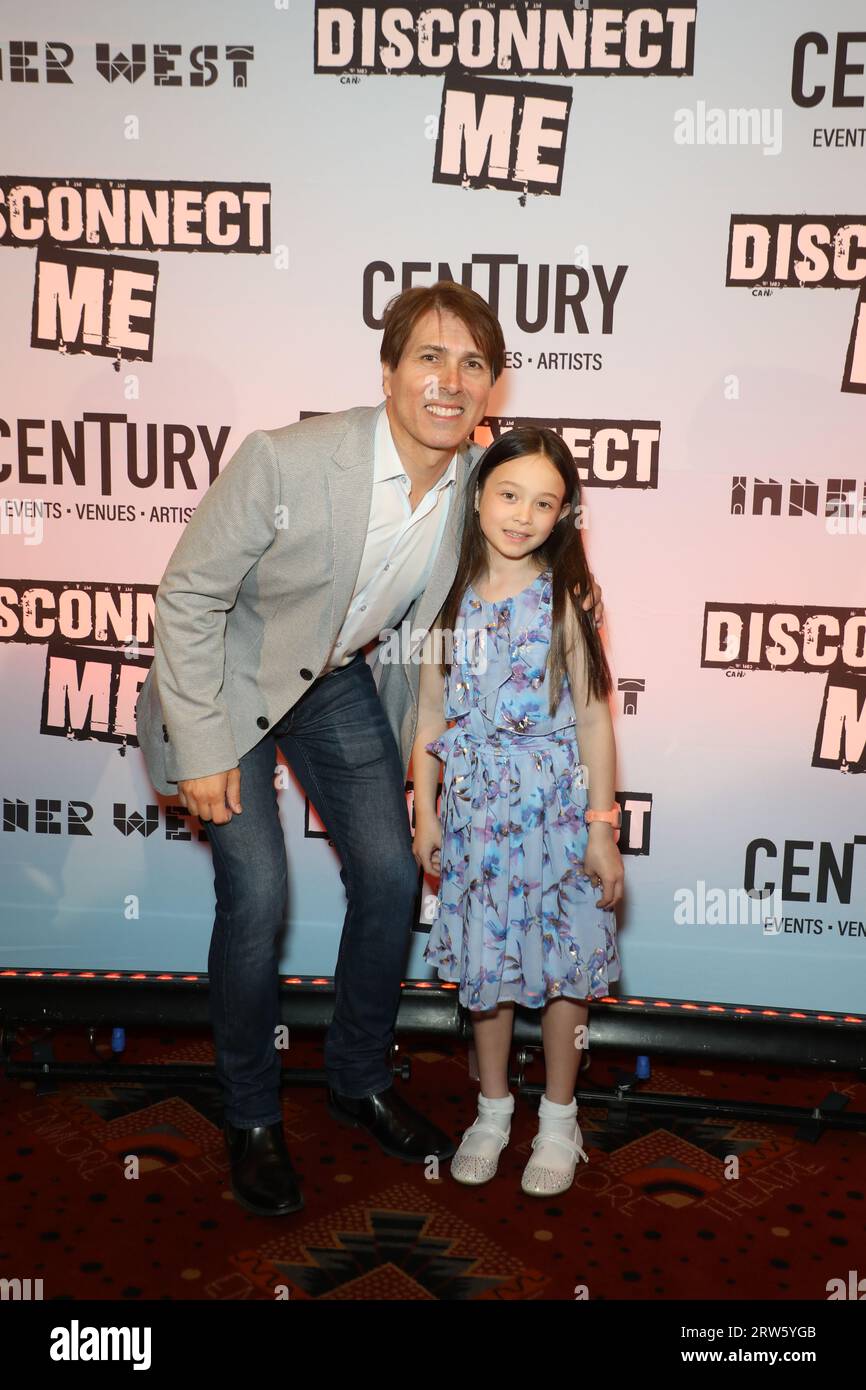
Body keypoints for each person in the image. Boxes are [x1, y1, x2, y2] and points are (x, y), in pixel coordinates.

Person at [134, 282, 605, 1217]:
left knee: (392, 877)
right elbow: (188, 596)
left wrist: (575, 605)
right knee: (259, 890)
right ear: (388, 370)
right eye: (429, 357)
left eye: (473, 363)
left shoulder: (481, 487)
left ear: (491, 388)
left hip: (334, 681)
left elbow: (530, 542)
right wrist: (201, 745)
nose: (450, 380)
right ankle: (253, 1113)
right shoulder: (285, 461)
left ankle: (356, 1078)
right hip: (229, 683)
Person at [412, 425, 624, 1198]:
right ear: (477, 498)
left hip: (557, 814)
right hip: (475, 818)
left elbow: (597, 716)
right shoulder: (444, 596)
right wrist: (425, 812)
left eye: (545, 502)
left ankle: (561, 1117)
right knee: (486, 967)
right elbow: (429, 714)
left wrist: (603, 830)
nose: (523, 514)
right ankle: (492, 1109)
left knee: (567, 969)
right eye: (509, 494)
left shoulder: (568, 598)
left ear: (563, 515)